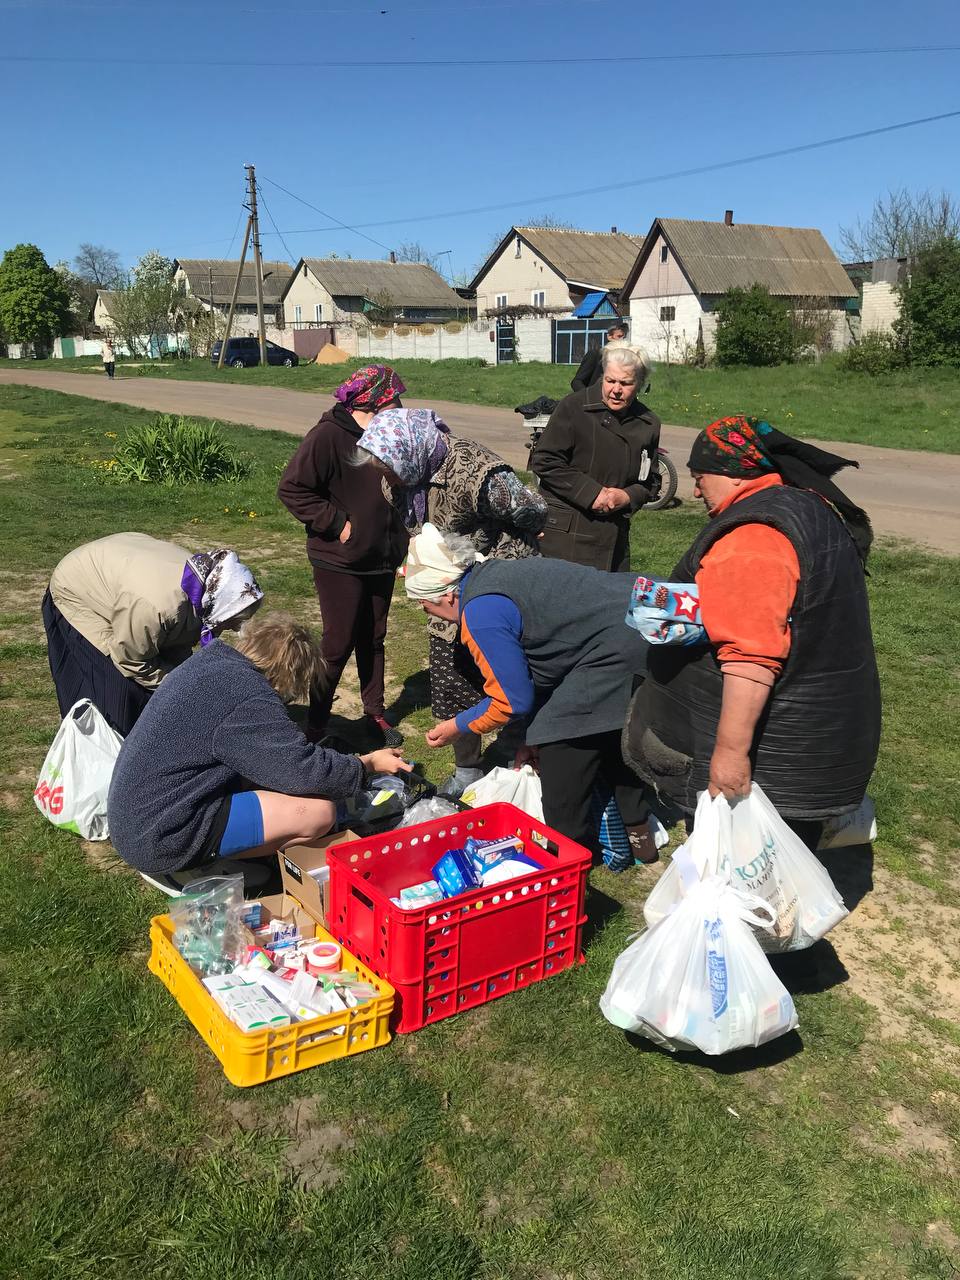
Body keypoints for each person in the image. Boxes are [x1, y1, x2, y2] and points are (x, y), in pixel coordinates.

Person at [623, 415, 880, 850]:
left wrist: (729, 755)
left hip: (778, 748)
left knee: (746, 876)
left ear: (735, 474)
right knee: (777, 871)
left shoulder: (754, 538)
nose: (696, 490)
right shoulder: (806, 504)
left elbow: (751, 657)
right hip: (813, 733)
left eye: (700, 477)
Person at [403, 524, 657, 862]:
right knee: (607, 735)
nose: (427, 613)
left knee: (561, 751)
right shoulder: (493, 573)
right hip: (638, 620)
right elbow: (540, 671)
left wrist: (457, 726)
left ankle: (567, 860)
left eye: (425, 605)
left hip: (615, 647)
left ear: (446, 594)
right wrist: (528, 737)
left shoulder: (480, 614)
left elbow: (510, 700)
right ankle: (639, 841)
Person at [107, 615, 411, 887]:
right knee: (319, 813)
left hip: (137, 817)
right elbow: (302, 771)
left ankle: (209, 852)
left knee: (273, 781)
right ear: (289, 673)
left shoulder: (212, 662)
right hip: (163, 836)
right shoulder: (247, 697)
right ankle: (197, 865)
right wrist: (367, 763)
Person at [355, 406, 547, 797]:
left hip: (498, 587)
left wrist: (493, 556)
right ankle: (467, 769)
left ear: (411, 451)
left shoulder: (479, 473)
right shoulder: (397, 480)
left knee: (515, 673)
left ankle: (526, 753)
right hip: (444, 589)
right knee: (452, 678)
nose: (385, 478)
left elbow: (533, 511)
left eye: (387, 467)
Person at [277, 364, 410, 747]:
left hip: (381, 557)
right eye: (393, 402)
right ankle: (316, 724)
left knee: (374, 637)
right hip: (340, 559)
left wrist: (403, 538)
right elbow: (293, 488)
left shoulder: (388, 433)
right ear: (367, 404)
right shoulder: (328, 436)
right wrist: (336, 523)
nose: (400, 408)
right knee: (338, 643)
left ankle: (375, 713)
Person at [42, 532, 263, 736]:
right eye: (234, 619)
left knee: (157, 687)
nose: (235, 628)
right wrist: (181, 686)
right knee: (112, 697)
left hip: (122, 576)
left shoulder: (202, 587)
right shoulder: (158, 606)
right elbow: (130, 659)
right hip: (79, 591)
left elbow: (176, 644)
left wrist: (184, 681)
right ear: (221, 604)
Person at [531, 344, 661, 571]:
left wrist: (627, 496)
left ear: (640, 384)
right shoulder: (574, 407)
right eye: (610, 381)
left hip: (614, 538)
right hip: (566, 534)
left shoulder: (648, 424)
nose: (616, 390)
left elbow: (651, 481)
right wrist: (592, 493)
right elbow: (545, 459)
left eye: (626, 383)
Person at [569, 321, 628, 392]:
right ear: (609, 337)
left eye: (624, 338)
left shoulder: (624, 358)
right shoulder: (595, 355)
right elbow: (576, 382)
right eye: (619, 336)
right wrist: (588, 397)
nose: (622, 340)